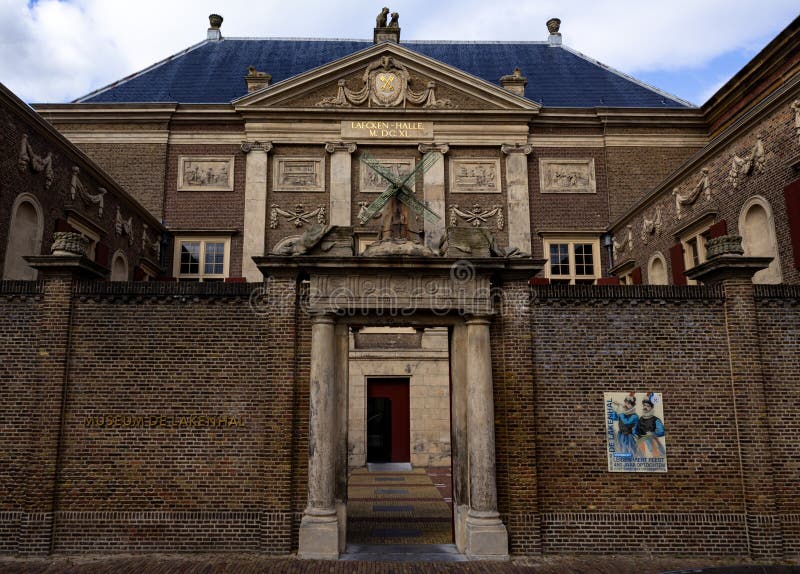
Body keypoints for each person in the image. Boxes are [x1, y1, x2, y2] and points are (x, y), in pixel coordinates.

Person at [634, 393, 665, 458]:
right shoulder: (641, 418)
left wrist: (653, 433)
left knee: (653, 457)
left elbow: (662, 431)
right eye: (644, 405)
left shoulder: (656, 420)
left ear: (651, 408)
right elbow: (635, 430)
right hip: (641, 442)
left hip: (651, 442)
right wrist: (635, 433)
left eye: (648, 406)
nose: (645, 407)